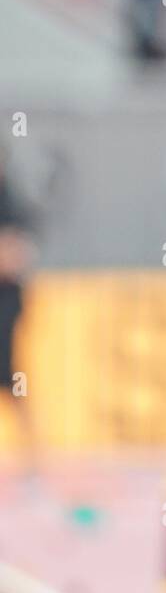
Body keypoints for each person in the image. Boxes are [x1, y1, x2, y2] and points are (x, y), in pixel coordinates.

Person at [0, 151, 39, 477]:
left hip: (5, 305)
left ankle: (33, 460)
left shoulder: (10, 199)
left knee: (12, 380)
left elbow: (15, 256)